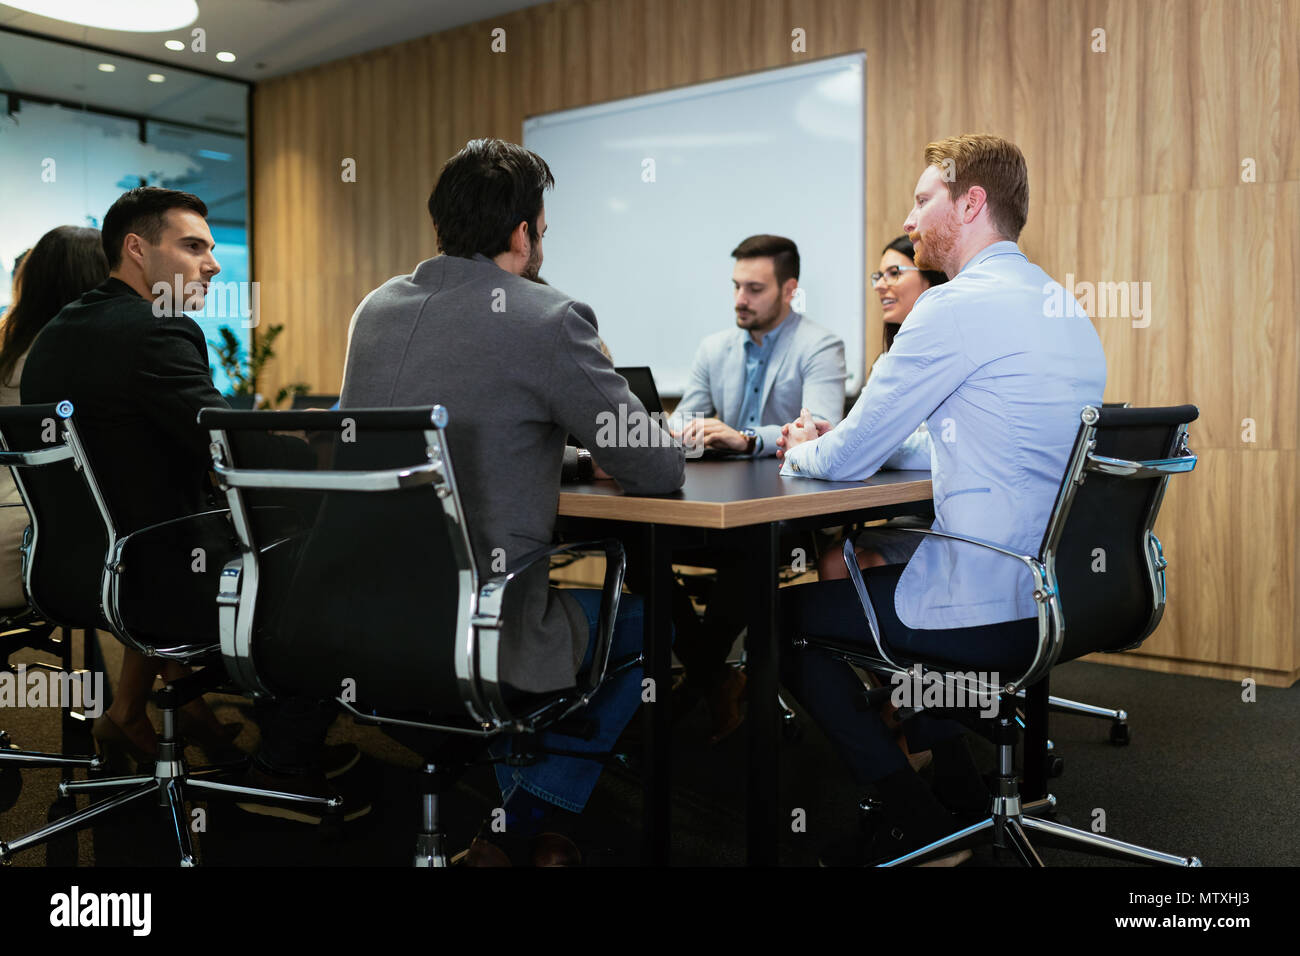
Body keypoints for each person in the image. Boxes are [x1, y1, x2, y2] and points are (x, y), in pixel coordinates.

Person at [339, 138, 684, 865]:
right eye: (542, 231)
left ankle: (530, 822)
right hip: (485, 623)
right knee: (654, 625)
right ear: (523, 233)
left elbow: (436, 446)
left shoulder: (375, 309)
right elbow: (655, 468)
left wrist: (552, 452)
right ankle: (527, 820)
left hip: (362, 617)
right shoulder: (547, 317)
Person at [775, 134, 1106, 864]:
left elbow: (846, 459)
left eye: (924, 200)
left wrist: (798, 447)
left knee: (780, 621)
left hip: (989, 600)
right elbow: (961, 435)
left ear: (971, 203)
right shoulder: (1063, 307)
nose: (911, 215)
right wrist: (861, 436)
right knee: (867, 571)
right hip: (1061, 592)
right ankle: (953, 776)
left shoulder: (952, 309)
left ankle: (911, 819)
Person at [20, 187, 362, 820]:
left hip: (73, 573)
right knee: (326, 563)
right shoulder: (155, 327)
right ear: (137, 250)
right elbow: (229, 444)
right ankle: (285, 767)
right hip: (158, 574)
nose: (213, 263)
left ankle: (143, 717)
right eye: (193, 246)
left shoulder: (58, 332)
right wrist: (336, 458)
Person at [658, 236, 847, 742]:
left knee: (751, 549)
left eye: (755, 288)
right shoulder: (713, 349)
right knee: (641, 546)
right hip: (710, 508)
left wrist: (744, 439)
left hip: (781, 516)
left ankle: (702, 680)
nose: (741, 298)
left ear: (790, 290)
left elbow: (823, 424)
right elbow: (682, 424)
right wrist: (683, 433)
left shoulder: (820, 345)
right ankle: (716, 676)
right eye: (737, 286)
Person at [817, 235, 946, 581]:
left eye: (893, 273)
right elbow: (865, 432)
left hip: (952, 516)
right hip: (916, 514)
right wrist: (834, 438)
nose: (880, 285)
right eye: (878, 276)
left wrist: (869, 446)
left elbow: (933, 447)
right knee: (835, 559)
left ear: (931, 279)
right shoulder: (888, 360)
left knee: (849, 562)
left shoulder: (949, 347)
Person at [0, 227, 109, 608]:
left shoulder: (9, 348)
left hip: (18, 524)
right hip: (34, 541)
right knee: (154, 537)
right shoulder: (73, 359)